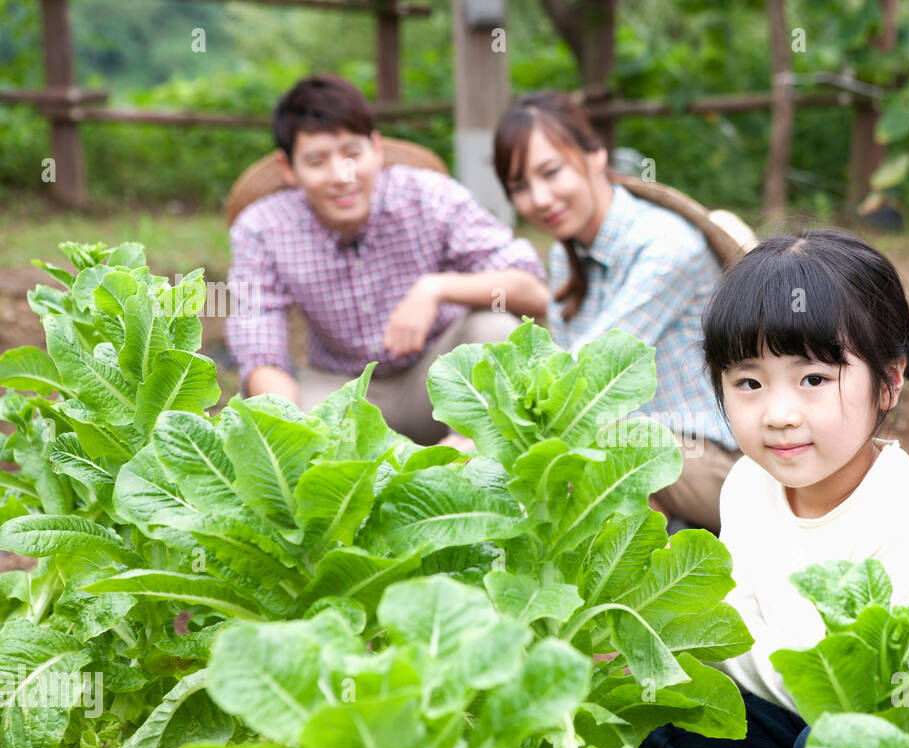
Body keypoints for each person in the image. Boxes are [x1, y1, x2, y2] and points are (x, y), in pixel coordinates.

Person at [640, 230, 909, 748]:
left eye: (814, 380)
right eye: (749, 383)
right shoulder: (747, 484)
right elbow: (742, 631)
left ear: (889, 381)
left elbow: (861, 701)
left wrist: (697, 631)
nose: (778, 414)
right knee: (673, 716)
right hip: (813, 724)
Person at [224, 74, 549, 447]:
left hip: (440, 380)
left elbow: (533, 288)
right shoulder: (261, 227)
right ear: (289, 169)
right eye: (316, 161)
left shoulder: (428, 195)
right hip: (342, 391)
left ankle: (472, 453)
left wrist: (435, 289)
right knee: (299, 430)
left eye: (352, 154)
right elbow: (261, 344)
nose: (340, 177)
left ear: (376, 149)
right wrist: (288, 434)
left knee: (494, 328)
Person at [492, 90, 740, 535]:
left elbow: (585, 374)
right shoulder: (567, 256)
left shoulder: (664, 246)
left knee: (595, 451)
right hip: (643, 445)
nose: (540, 198)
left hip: (719, 461)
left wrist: (487, 431)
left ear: (594, 155)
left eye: (551, 172)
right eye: (520, 187)